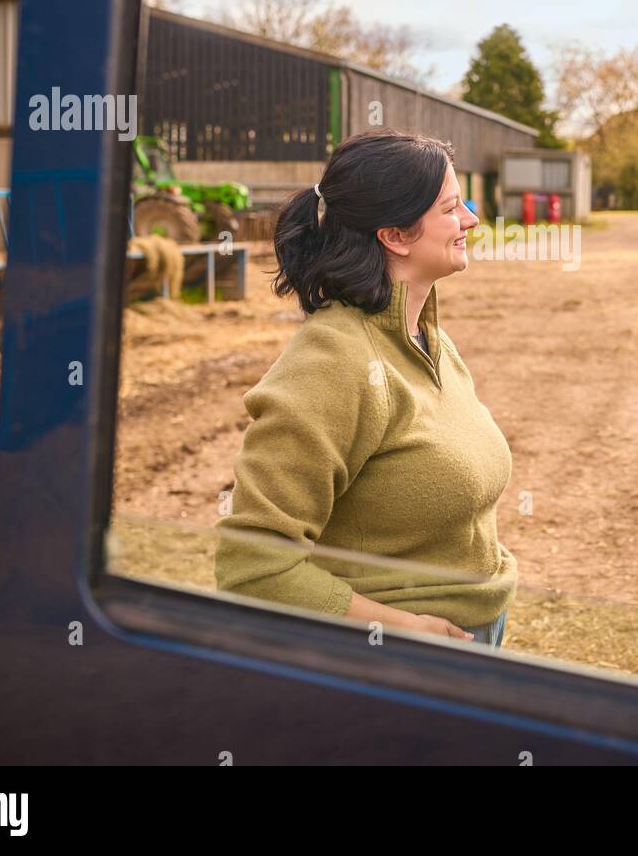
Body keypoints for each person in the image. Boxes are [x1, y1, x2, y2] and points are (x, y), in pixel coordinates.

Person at [215, 129, 516, 647]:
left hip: (465, 641)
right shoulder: (333, 362)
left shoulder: (427, 340)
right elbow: (254, 567)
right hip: (392, 659)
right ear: (396, 235)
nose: (470, 219)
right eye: (450, 209)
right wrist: (402, 628)